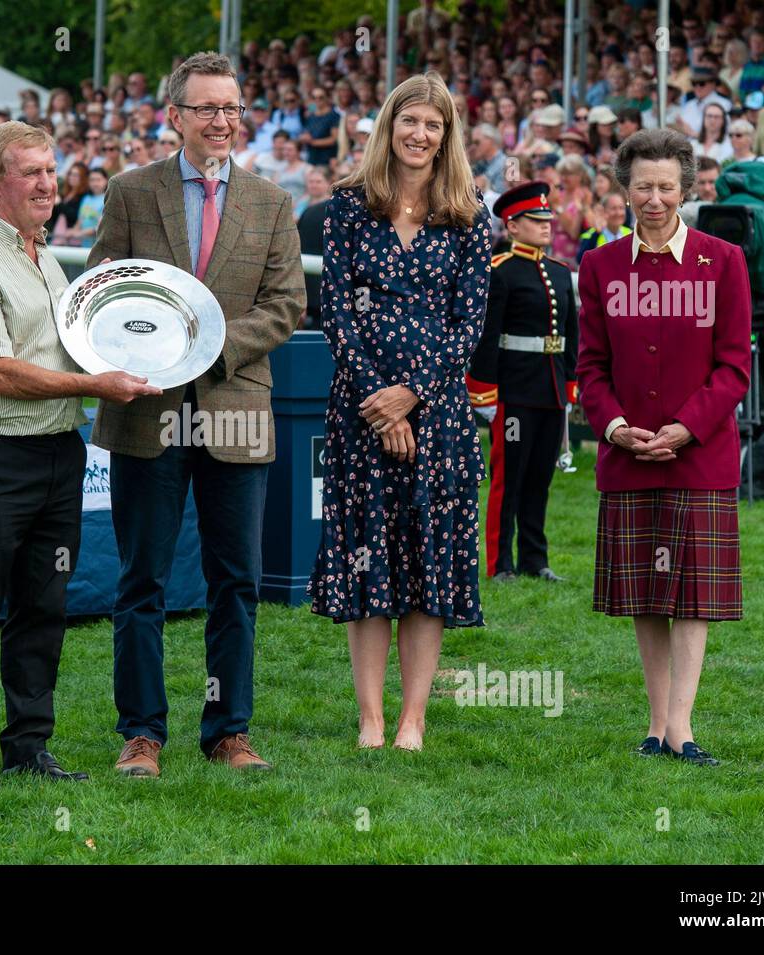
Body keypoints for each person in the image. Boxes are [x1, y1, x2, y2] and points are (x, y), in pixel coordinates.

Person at [87, 51, 305, 777]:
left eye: (232, 109)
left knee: (235, 579)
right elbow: (101, 291)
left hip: (236, 408)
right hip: (147, 412)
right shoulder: (130, 192)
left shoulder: (271, 203)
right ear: (174, 116)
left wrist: (204, 348)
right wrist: (143, 354)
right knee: (141, 578)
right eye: (207, 108)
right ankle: (142, 733)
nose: (221, 121)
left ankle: (228, 731)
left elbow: (286, 306)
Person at [0, 122, 159, 794]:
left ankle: (29, 743)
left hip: (59, 451)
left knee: (44, 605)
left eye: (52, 169)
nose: (47, 182)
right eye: (30, 172)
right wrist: (98, 384)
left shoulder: (45, 256)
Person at [308, 71, 491, 751]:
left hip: (439, 415)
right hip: (359, 414)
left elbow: (468, 324)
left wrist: (412, 393)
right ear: (389, 128)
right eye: (409, 121)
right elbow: (334, 313)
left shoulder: (470, 213)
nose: (419, 135)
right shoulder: (350, 206)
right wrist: (381, 406)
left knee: (429, 563)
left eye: (433, 125)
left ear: (447, 138)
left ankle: (413, 718)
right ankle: (371, 716)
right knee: (368, 559)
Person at [576, 129, 752, 767]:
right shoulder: (598, 266)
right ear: (625, 189)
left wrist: (686, 427)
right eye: (643, 186)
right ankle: (655, 724)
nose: (654, 198)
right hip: (628, 455)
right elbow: (590, 367)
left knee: (694, 597)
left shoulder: (724, 261)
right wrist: (617, 427)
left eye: (666, 187)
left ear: (689, 189)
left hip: (698, 455)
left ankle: (682, 725)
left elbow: (734, 366)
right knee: (645, 595)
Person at [468, 181, 577, 582]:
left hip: (549, 388)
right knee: (508, 478)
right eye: (535, 220)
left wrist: (569, 384)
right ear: (512, 226)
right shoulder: (500, 272)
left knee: (539, 477)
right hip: (513, 391)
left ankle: (536, 559)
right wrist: (483, 389)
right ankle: (501, 563)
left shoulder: (560, 273)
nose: (546, 226)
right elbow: (486, 335)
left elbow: (570, 333)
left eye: (548, 219)